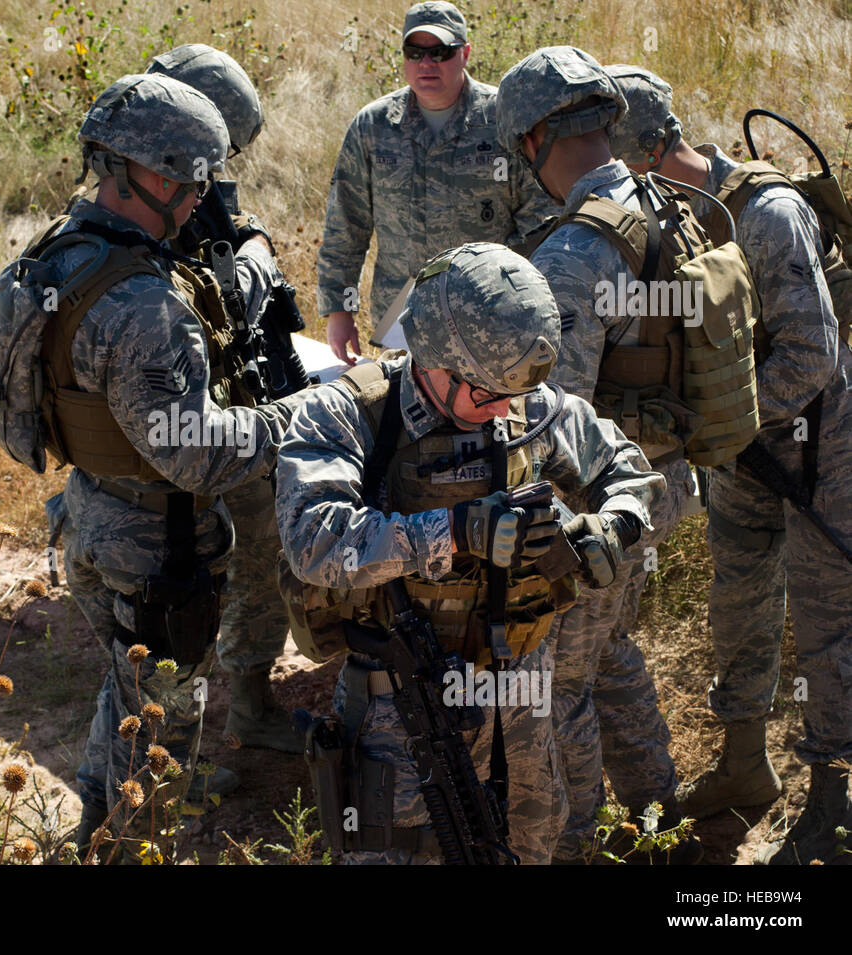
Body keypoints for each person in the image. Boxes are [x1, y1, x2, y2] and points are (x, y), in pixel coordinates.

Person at [0, 73, 307, 859]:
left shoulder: (48, 260)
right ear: (159, 177)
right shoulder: (144, 304)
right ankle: (127, 844)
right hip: (160, 549)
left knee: (128, 694)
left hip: (90, 515)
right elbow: (197, 456)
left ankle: (91, 830)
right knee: (159, 747)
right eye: (197, 180)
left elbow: (22, 416)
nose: (204, 198)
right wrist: (305, 416)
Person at [276, 241, 665, 864]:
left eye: (514, 394)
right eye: (487, 395)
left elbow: (629, 470)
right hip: (401, 705)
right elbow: (314, 540)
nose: (507, 411)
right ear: (435, 357)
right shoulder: (347, 415)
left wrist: (608, 527)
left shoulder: (514, 394)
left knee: (530, 846)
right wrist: (456, 533)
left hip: (520, 696)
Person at [607, 64, 852, 865]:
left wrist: (725, 421)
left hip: (819, 442)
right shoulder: (670, 213)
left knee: (826, 621)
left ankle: (834, 802)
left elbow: (813, 356)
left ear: (650, 149)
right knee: (739, 601)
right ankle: (747, 765)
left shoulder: (768, 213)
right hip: (740, 449)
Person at [495, 47, 705, 862]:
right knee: (611, 649)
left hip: (598, 509)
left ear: (534, 137)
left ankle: (576, 842)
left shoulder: (574, 254)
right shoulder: (666, 203)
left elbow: (555, 425)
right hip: (660, 483)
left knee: (558, 687)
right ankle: (662, 809)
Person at [146, 44, 305, 758]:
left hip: (237, 415)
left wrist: (256, 246)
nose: (217, 169)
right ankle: (170, 766)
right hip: (190, 432)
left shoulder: (189, 182)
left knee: (259, 563)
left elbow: (229, 228)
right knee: (189, 599)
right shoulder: (143, 205)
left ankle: (248, 703)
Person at [316, 1, 554, 364]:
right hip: (402, 321)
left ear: (465, 53)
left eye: (440, 51)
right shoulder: (374, 126)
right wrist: (339, 309)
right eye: (416, 52)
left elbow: (539, 216)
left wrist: (508, 292)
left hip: (490, 318)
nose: (426, 63)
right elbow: (346, 225)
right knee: (403, 413)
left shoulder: (503, 120)